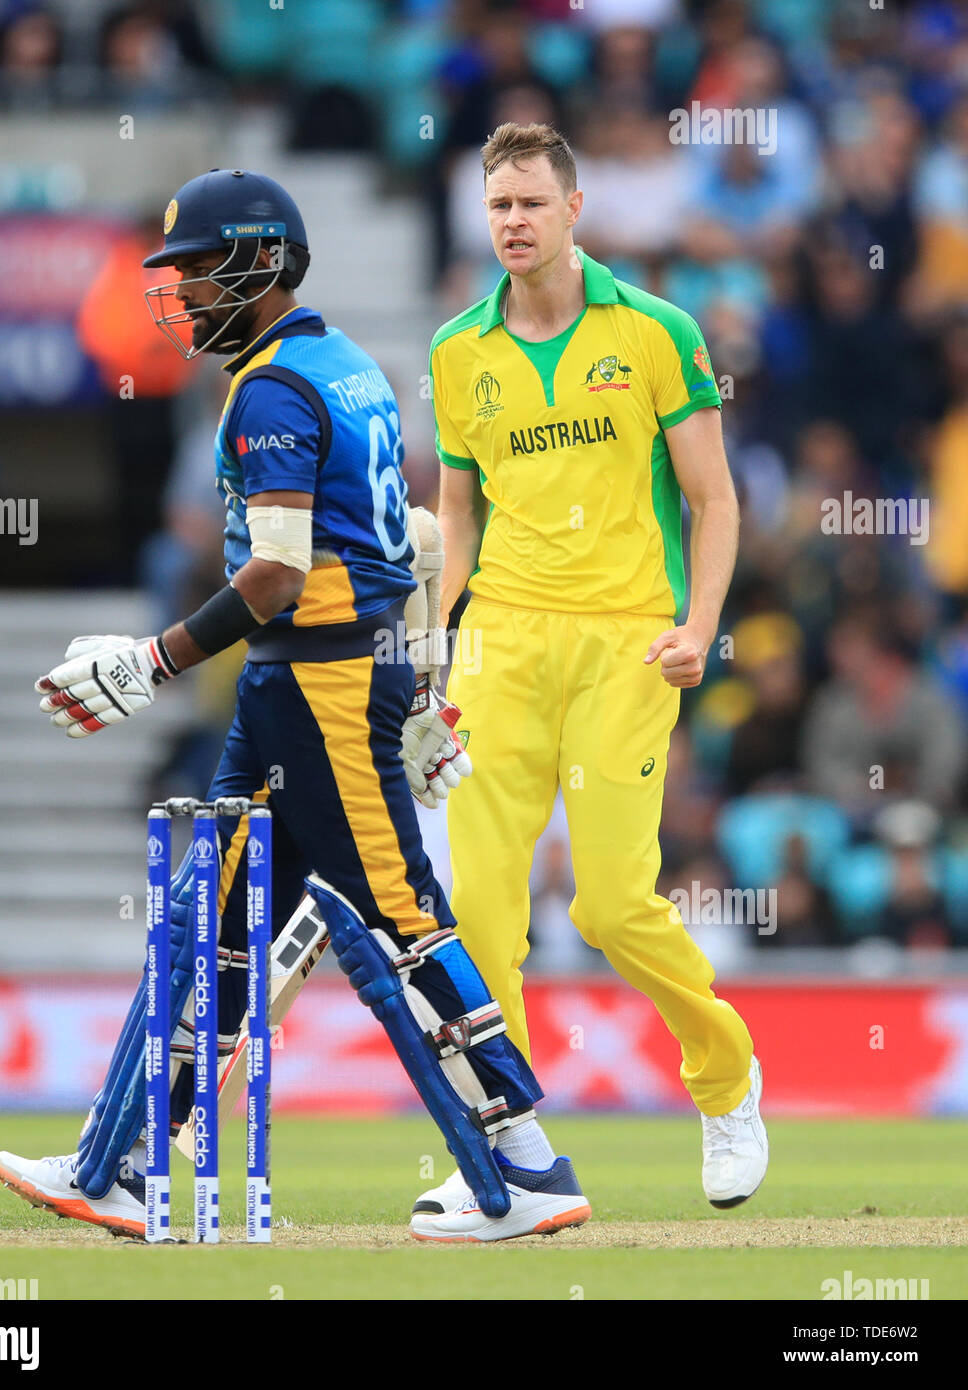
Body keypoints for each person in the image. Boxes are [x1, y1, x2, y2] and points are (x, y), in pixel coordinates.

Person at [0, 168, 590, 1244]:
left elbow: (275, 570)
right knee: (207, 920)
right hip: (320, 682)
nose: (181, 292)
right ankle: (119, 1158)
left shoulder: (272, 386)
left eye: (200, 269)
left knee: (402, 918)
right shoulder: (345, 362)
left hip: (317, 679)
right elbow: (419, 538)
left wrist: (150, 662)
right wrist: (424, 686)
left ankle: (526, 1160)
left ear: (263, 262)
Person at [421, 122, 768, 1214]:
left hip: (626, 634)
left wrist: (700, 624)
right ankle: (510, 1137)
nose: (512, 222)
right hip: (501, 641)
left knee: (614, 905)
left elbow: (713, 499)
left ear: (574, 210)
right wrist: (439, 653)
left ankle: (728, 1079)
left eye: (530, 202)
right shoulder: (456, 352)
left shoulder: (658, 331)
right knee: (477, 911)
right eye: (497, 207)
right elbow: (458, 508)